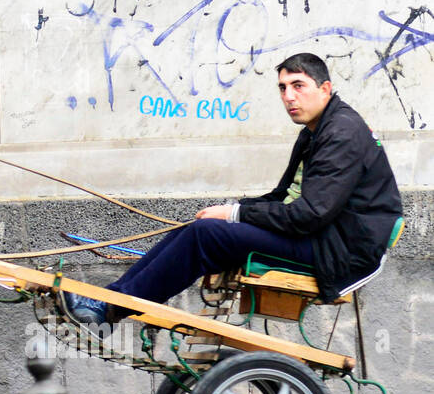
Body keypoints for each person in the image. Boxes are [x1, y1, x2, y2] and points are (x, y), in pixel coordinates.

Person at [66, 53, 403, 326]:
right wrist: (232, 208)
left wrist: (235, 214)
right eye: (283, 88)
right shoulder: (317, 128)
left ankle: (108, 309)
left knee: (206, 235)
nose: (289, 96)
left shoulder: (341, 132)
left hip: (338, 251)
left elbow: (309, 215)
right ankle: (108, 302)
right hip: (320, 236)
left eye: (298, 86)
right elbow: (282, 197)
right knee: (201, 228)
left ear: (325, 88)